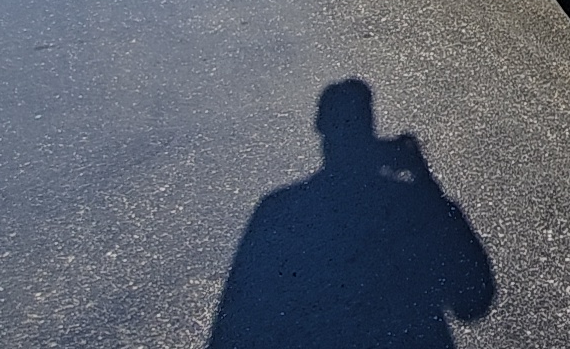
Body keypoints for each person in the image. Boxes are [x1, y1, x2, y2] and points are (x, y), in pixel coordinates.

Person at [206, 79, 495, 348]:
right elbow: (472, 300)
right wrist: (427, 186)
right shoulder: (414, 207)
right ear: (371, 132)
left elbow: (233, 326)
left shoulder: (281, 211)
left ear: (320, 127)